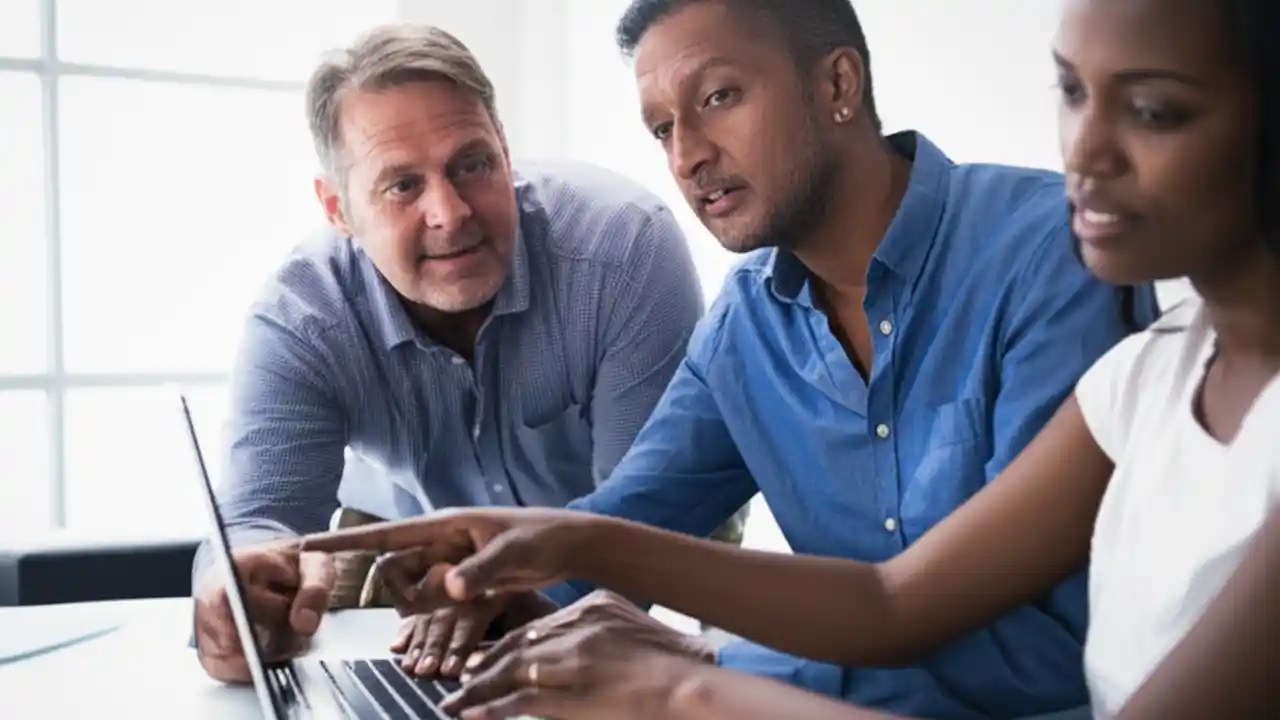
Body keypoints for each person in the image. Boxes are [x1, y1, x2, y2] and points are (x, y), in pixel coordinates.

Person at [304, 0, 1280, 717]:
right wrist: (493, 583)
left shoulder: (1045, 249)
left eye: (718, 97)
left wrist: (701, 678)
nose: (685, 154)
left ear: (837, 84)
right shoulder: (745, 329)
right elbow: (634, 531)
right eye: (660, 127)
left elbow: (1009, 637)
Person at [189, 22, 716, 684]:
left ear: (505, 150)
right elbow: (257, 518)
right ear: (338, 208)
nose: (451, 212)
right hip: (408, 526)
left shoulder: (623, 250)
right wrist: (232, 596)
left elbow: (644, 517)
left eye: (471, 164)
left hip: (619, 509)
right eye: (402, 186)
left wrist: (524, 608)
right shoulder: (302, 318)